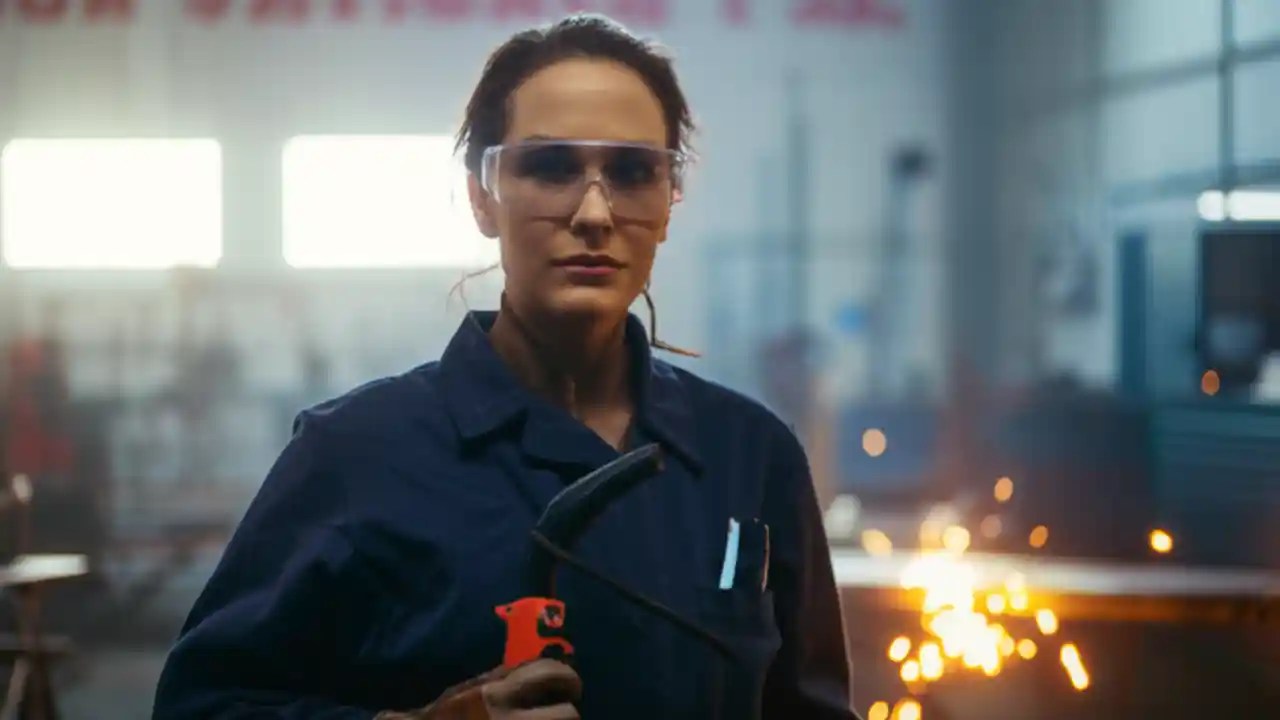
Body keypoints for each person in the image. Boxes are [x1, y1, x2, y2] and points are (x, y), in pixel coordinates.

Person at [153, 14, 856, 720]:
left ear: (668, 204)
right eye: (550, 167)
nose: (594, 213)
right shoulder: (358, 455)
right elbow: (202, 706)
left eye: (632, 172)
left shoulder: (748, 456)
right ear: (482, 197)